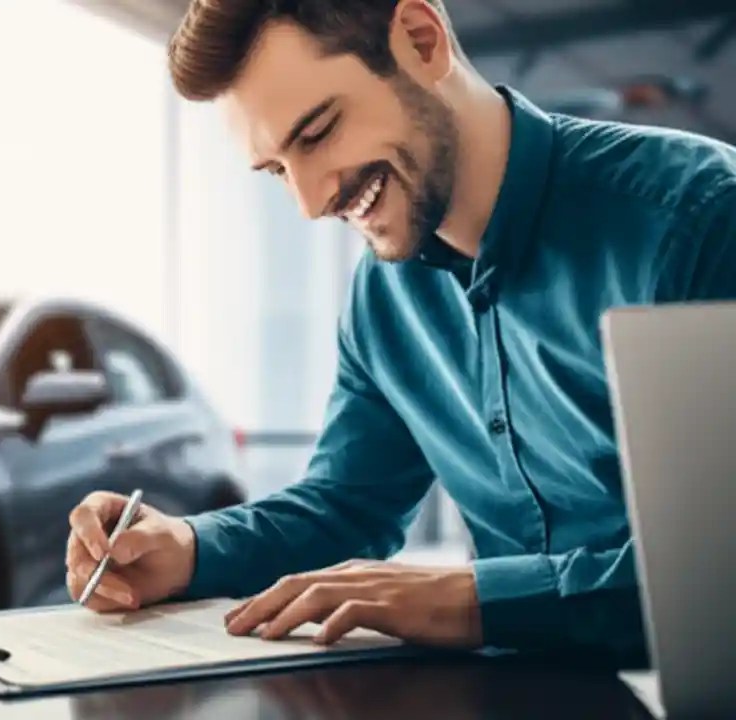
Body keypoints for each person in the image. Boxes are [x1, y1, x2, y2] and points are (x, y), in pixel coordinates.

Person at [65, 0, 736, 655]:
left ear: (421, 39)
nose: (309, 200)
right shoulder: (382, 297)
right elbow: (347, 506)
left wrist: (472, 599)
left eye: (318, 131)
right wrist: (187, 549)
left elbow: (717, 575)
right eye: (276, 171)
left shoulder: (700, 219)